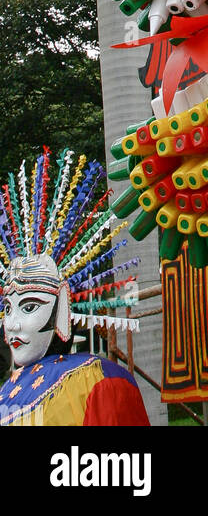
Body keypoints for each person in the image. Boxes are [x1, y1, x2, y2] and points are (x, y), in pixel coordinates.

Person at [0, 150, 149, 427]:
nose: (13, 325)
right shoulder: (8, 392)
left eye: (29, 307)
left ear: (63, 306)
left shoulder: (98, 380)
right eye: (7, 309)